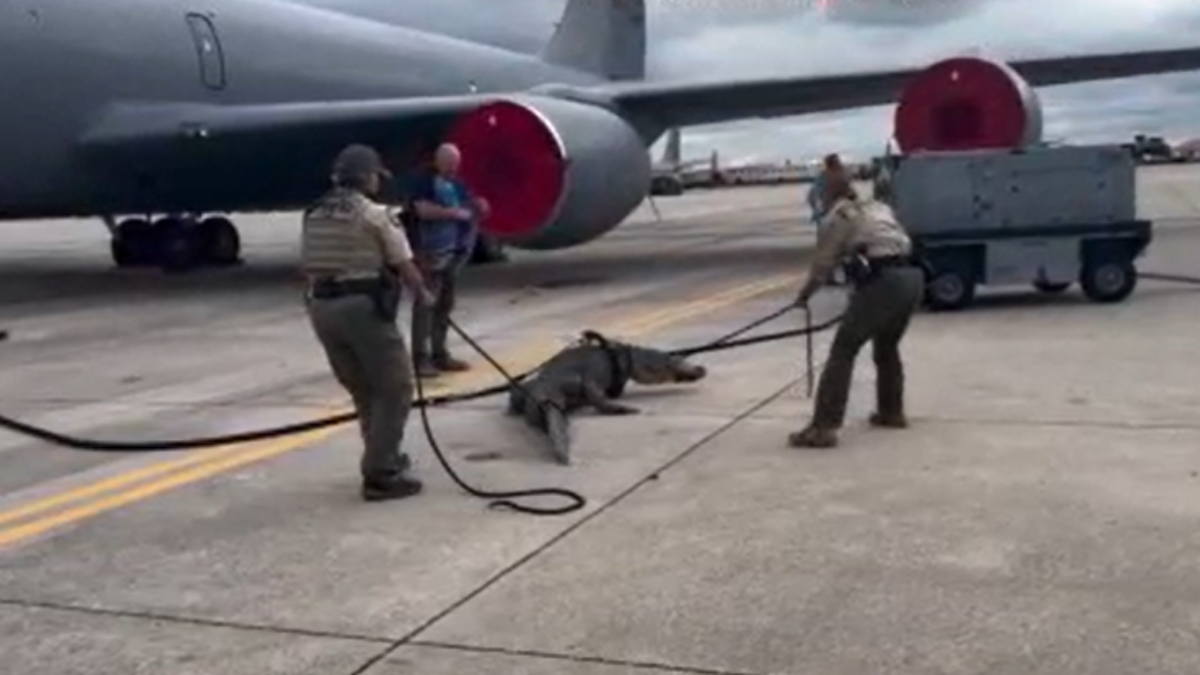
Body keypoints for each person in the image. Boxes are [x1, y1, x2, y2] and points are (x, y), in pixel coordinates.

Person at [300, 143, 436, 502]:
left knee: (364, 390)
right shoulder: (375, 215)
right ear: (367, 177)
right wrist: (424, 296)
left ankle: (381, 454)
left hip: (321, 308)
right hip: (362, 308)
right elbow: (405, 265)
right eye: (377, 174)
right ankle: (381, 473)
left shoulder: (314, 213)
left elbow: (308, 264)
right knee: (396, 388)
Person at [788, 163, 924, 449]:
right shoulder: (876, 207)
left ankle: (823, 428)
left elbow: (822, 266)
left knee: (843, 350)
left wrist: (804, 296)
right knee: (886, 348)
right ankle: (891, 412)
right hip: (912, 278)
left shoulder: (838, 217)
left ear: (827, 192)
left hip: (884, 281)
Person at [406, 142, 490, 378]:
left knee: (444, 304)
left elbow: (468, 205)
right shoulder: (424, 181)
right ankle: (420, 358)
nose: (453, 169)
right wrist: (452, 213)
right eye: (450, 165)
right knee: (425, 305)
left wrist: (479, 206)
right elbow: (421, 210)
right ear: (439, 161)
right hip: (430, 252)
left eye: (456, 165)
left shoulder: (457, 183)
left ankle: (440, 353)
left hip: (454, 252)